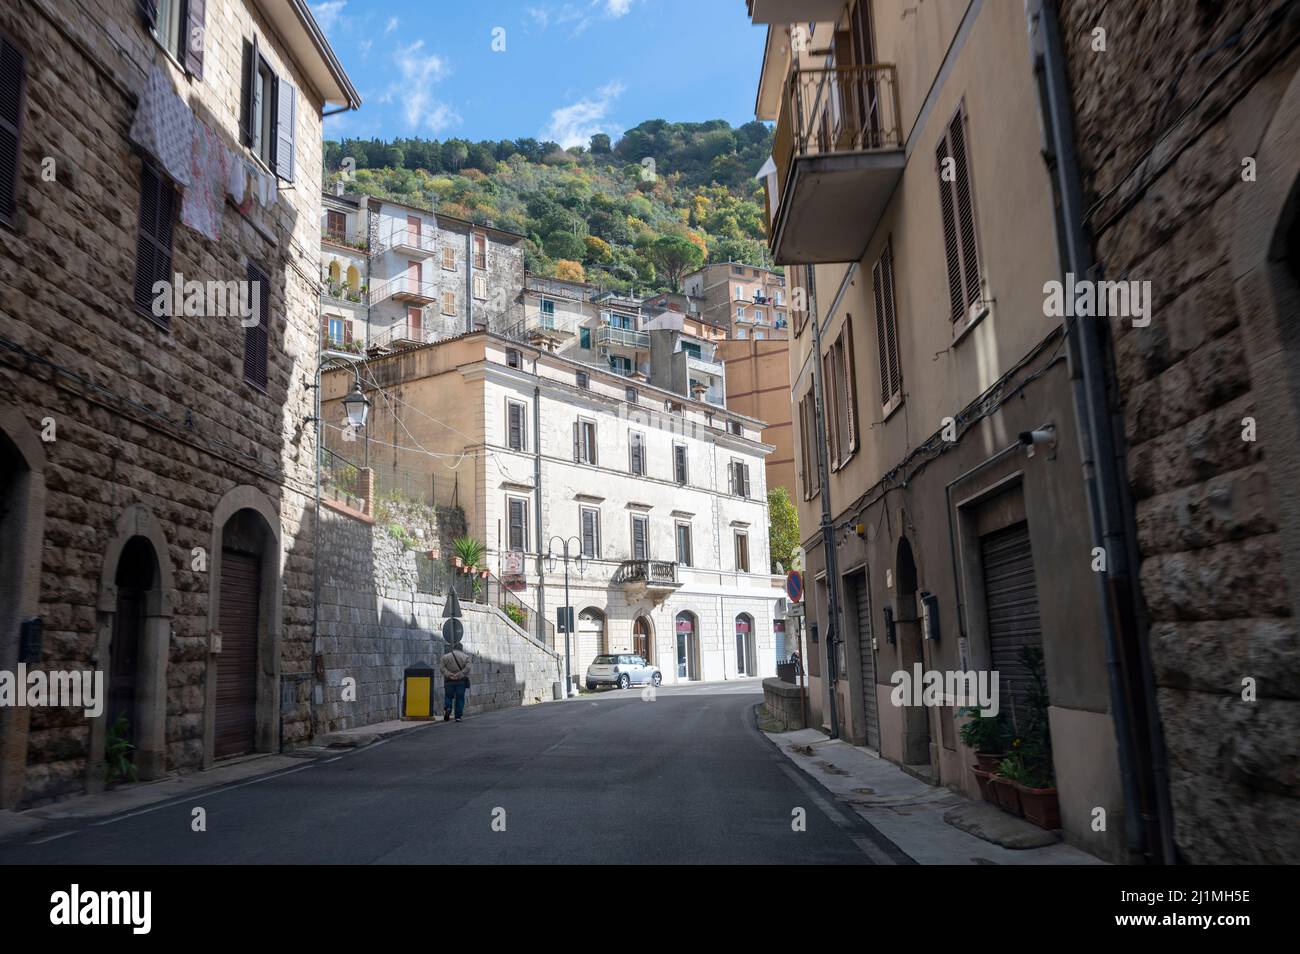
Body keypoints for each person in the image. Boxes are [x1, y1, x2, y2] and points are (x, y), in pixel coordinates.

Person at [439, 640, 471, 722]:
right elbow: (468, 668)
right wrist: (459, 674)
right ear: (461, 649)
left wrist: (450, 674)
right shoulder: (466, 657)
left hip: (449, 681)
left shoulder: (445, 657)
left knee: (448, 696)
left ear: (453, 648)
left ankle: (448, 708)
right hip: (460, 681)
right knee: (460, 698)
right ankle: (458, 716)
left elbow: (442, 668)